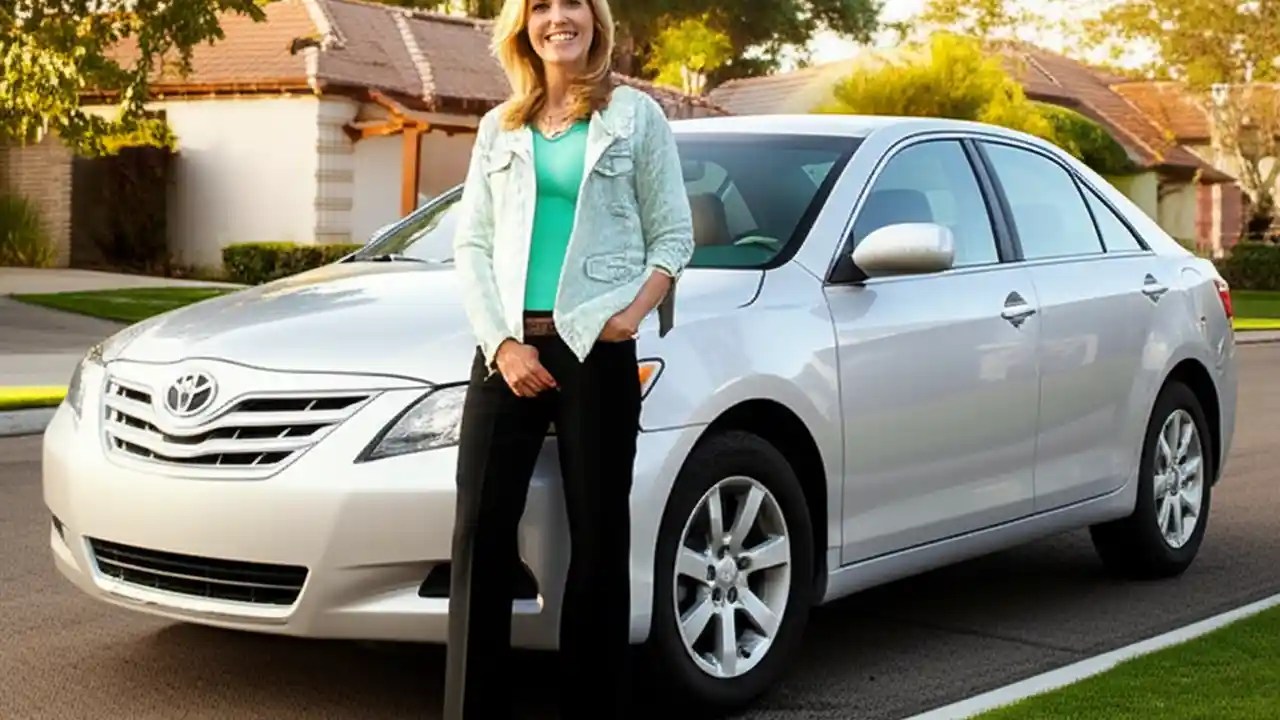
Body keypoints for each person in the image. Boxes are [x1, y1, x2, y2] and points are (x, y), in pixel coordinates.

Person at [442, 0, 695, 717]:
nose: (560, 17)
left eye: (573, 4)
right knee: (479, 535)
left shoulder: (634, 117)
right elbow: (473, 246)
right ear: (523, 25)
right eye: (542, 5)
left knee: (599, 533)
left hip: (595, 347)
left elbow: (673, 236)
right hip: (507, 350)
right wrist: (501, 344)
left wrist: (631, 316)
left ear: (595, 19)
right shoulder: (500, 127)